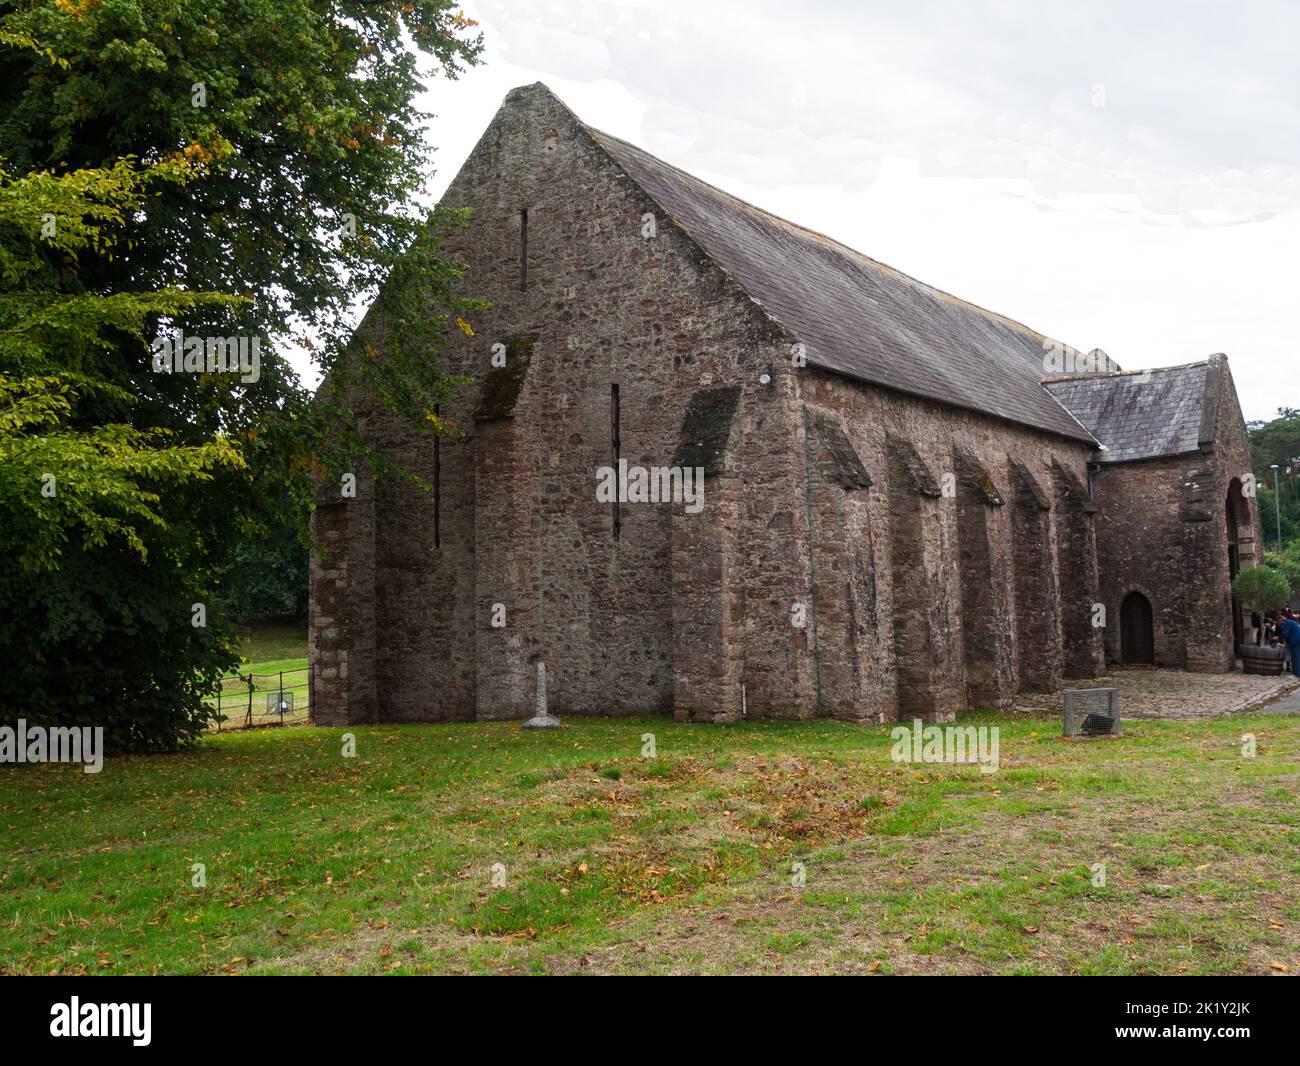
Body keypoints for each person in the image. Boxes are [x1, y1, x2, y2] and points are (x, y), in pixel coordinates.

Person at [1281, 614, 1300, 679]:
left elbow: (1285, 634)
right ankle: (1296, 673)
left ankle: (1297, 674)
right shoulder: (1291, 622)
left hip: (1296, 642)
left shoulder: (1287, 623)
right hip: (1296, 641)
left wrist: (1279, 637)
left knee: (1296, 658)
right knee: (1295, 658)